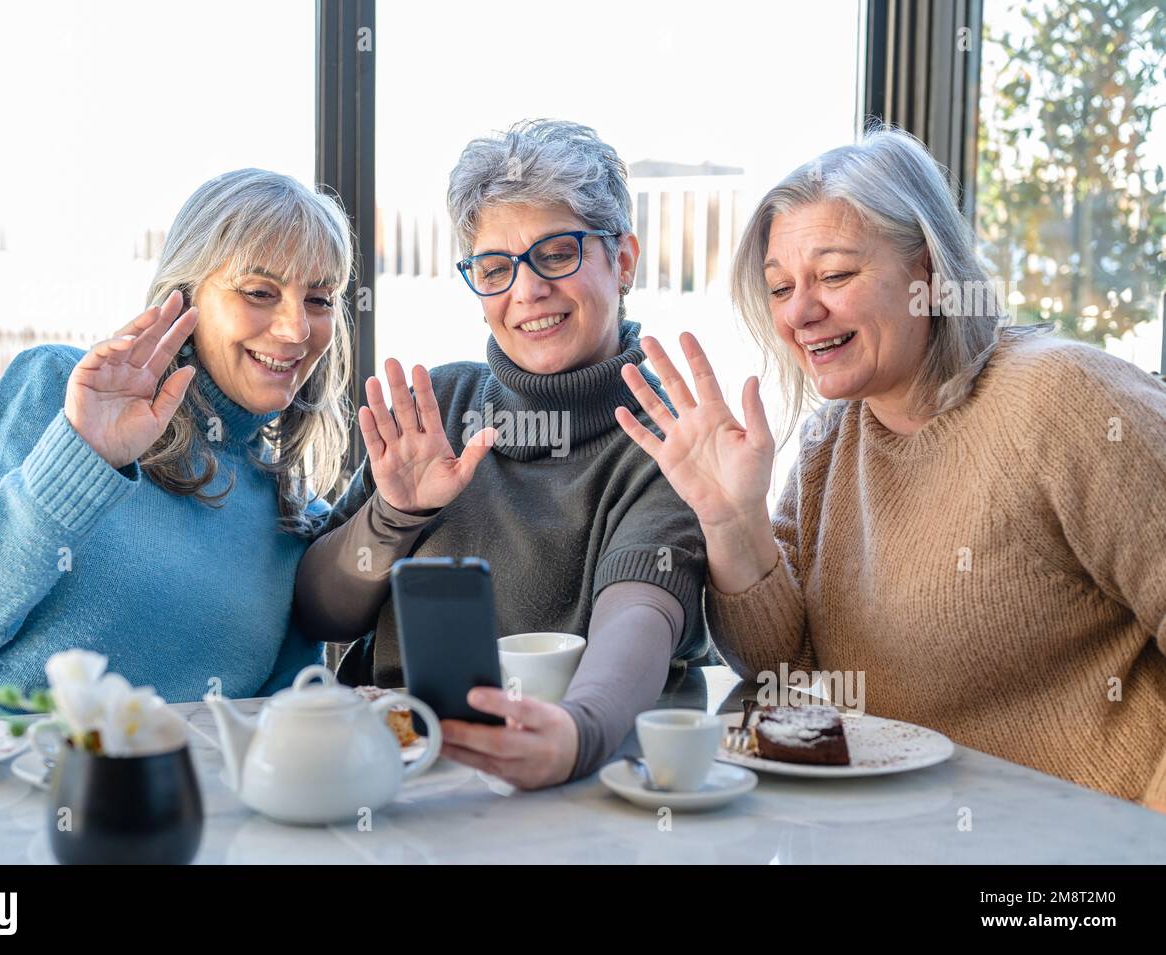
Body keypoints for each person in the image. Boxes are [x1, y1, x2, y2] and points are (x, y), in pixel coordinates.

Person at [616, 127, 1166, 811]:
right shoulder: (829, 442)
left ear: (929, 273)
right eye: (781, 287)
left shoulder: (1065, 401)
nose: (800, 312)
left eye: (836, 275)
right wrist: (735, 519)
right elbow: (780, 666)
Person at [295, 120, 709, 789]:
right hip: (399, 780)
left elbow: (641, 612)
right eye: (495, 268)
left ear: (623, 259)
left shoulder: (668, 437)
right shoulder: (442, 406)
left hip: (588, 783)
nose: (526, 291)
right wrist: (393, 515)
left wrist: (577, 731)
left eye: (557, 254)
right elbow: (319, 611)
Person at [0, 169, 353, 712]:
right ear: (182, 298)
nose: (296, 330)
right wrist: (79, 456)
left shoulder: (293, 516)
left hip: (122, 792)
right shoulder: (58, 391)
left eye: (319, 299)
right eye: (260, 292)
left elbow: (275, 734)